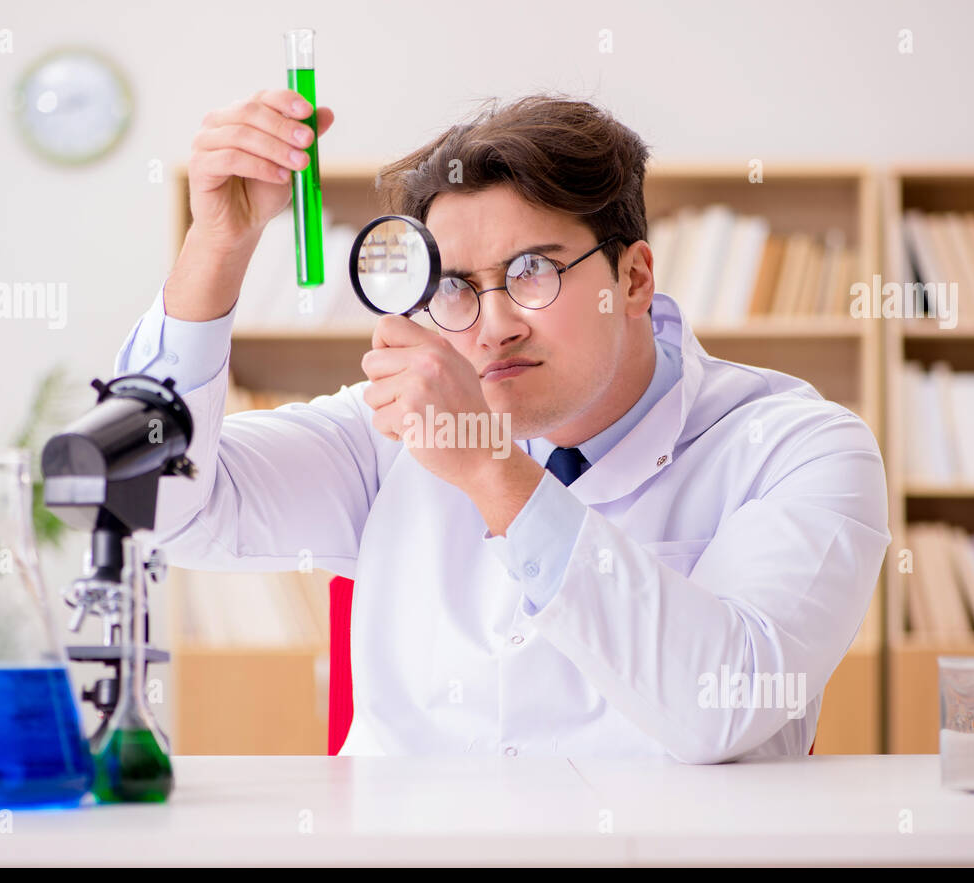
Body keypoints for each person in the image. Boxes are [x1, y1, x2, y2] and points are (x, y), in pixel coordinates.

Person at [114, 89, 891, 761]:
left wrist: (491, 472)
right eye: (452, 287)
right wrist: (216, 245)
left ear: (633, 277)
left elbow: (724, 706)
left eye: (532, 273)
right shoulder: (384, 433)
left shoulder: (797, 448)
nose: (491, 328)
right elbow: (154, 509)